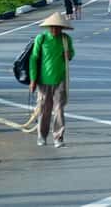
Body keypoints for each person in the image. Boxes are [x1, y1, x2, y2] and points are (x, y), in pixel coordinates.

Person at [29, 12, 75, 148]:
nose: (55, 30)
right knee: (44, 109)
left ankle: (58, 137)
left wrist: (69, 54)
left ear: (62, 28)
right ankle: (42, 136)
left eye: (58, 27)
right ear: (48, 27)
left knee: (59, 109)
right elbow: (34, 59)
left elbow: (71, 53)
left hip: (60, 79)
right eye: (52, 27)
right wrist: (33, 80)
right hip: (43, 81)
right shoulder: (41, 38)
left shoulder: (66, 39)